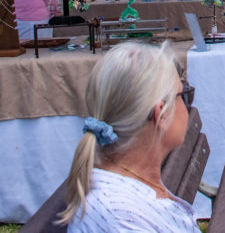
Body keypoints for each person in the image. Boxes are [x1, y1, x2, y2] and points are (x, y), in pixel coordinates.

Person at [56, 41, 198, 232]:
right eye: (183, 94)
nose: (187, 105)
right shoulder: (121, 218)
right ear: (162, 114)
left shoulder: (128, 186)